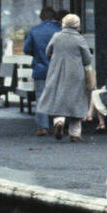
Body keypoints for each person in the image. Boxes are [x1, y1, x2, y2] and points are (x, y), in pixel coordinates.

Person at [35, 13, 92, 142]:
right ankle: (75, 133)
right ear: (77, 25)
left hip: (57, 71)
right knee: (76, 100)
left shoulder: (56, 36)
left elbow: (48, 52)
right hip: (75, 73)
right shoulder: (79, 39)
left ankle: (59, 121)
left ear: (63, 24)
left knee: (58, 97)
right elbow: (87, 58)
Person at [23, 7, 61, 137]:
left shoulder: (34, 31)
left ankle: (42, 127)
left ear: (41, 17)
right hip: (57, 69)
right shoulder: (59, 30)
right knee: (56, 97)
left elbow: (27, 49)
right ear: (54, 17)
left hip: (40, 69)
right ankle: (56, 124)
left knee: (41, 98)